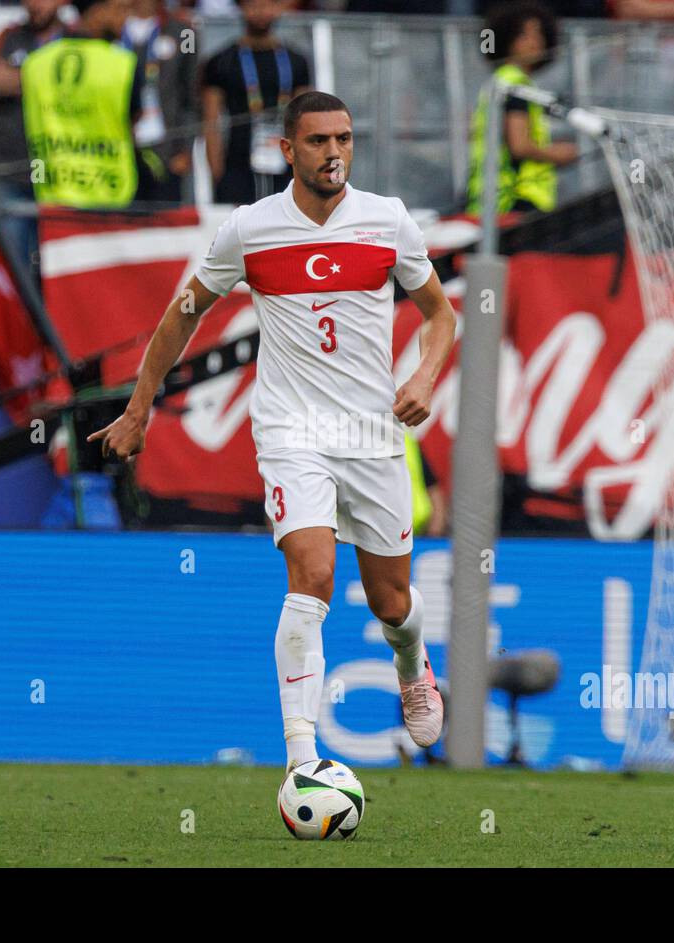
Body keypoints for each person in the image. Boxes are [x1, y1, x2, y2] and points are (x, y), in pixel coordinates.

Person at [90, 91, 457, 771]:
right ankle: (301, 756)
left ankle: (412, 663)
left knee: (390, 601)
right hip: (292, 431)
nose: (334, 153)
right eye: (318, 141)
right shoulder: (250, 229)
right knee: (313, 573)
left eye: (344, 139)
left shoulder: (388, 222)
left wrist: (424, 377)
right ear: (287, 151)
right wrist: (140, 406)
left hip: (372, 435)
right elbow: (182, 314)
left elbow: (441, 316)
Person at [21, 0, 144, 209]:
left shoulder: (35, 63)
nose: (125, 19)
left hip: (51, 196)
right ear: (97, 9)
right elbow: (137, 126)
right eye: (120, 9)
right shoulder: (123, 64)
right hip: (111, 195)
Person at [466, 2, 577, 216]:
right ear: (507, 39)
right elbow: (519, 146)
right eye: (524, 35)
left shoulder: (502, 81)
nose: (534, 43)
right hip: (513, 198)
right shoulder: (515, 84)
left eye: (539, 34)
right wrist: (559, 153)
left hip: (494, 199)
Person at [0, 0, 67, 266]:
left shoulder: (74, 36)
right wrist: (49, 80)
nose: (34, 5)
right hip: (11, 169)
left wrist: (18, 78)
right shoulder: (11, 35)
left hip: (61, 171)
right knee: (13, 264)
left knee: (56, 265)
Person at [200, 0, 312, 206]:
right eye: (254, 5)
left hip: (284, 163)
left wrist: (304, 168)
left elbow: (304, 119)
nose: (261, 12)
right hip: (237, 164)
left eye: (268, 4)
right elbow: (211, 121)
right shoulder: (221, 62)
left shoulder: (296, 61)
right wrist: (217, 173)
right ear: (241, 8)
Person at [123, 0, 199, 205]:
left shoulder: (185, 33)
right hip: (120, 149)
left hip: (167, 152)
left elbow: (191, 98)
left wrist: (185, 148)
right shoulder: (111, 30)